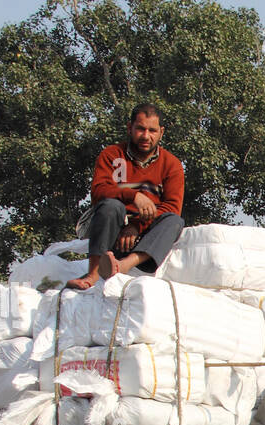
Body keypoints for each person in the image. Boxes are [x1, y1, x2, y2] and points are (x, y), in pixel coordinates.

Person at [66, 104, 185, 290]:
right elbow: (98, 191)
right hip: (112, 232)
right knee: (111, 206)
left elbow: (172, 206)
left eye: (152, 130)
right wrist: (134, 196)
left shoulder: (171, 164)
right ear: (130, 128)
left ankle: (123, 266)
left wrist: (137, 226)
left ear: (161, 133)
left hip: (143, 237)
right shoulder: (112, 155)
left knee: (174, 220)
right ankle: (94, 272)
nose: (146, 136)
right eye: (140, 129)